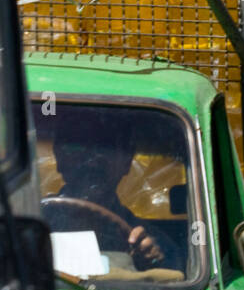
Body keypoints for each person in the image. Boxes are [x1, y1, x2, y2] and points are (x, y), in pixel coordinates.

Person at [47, 114, 170, 271]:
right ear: (59, 157)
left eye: (105, 148)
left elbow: (172, 279)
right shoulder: (28, 227)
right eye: (77, 147)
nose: (91, 161)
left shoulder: (153, 244)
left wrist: (150, 264)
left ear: (127, 161)